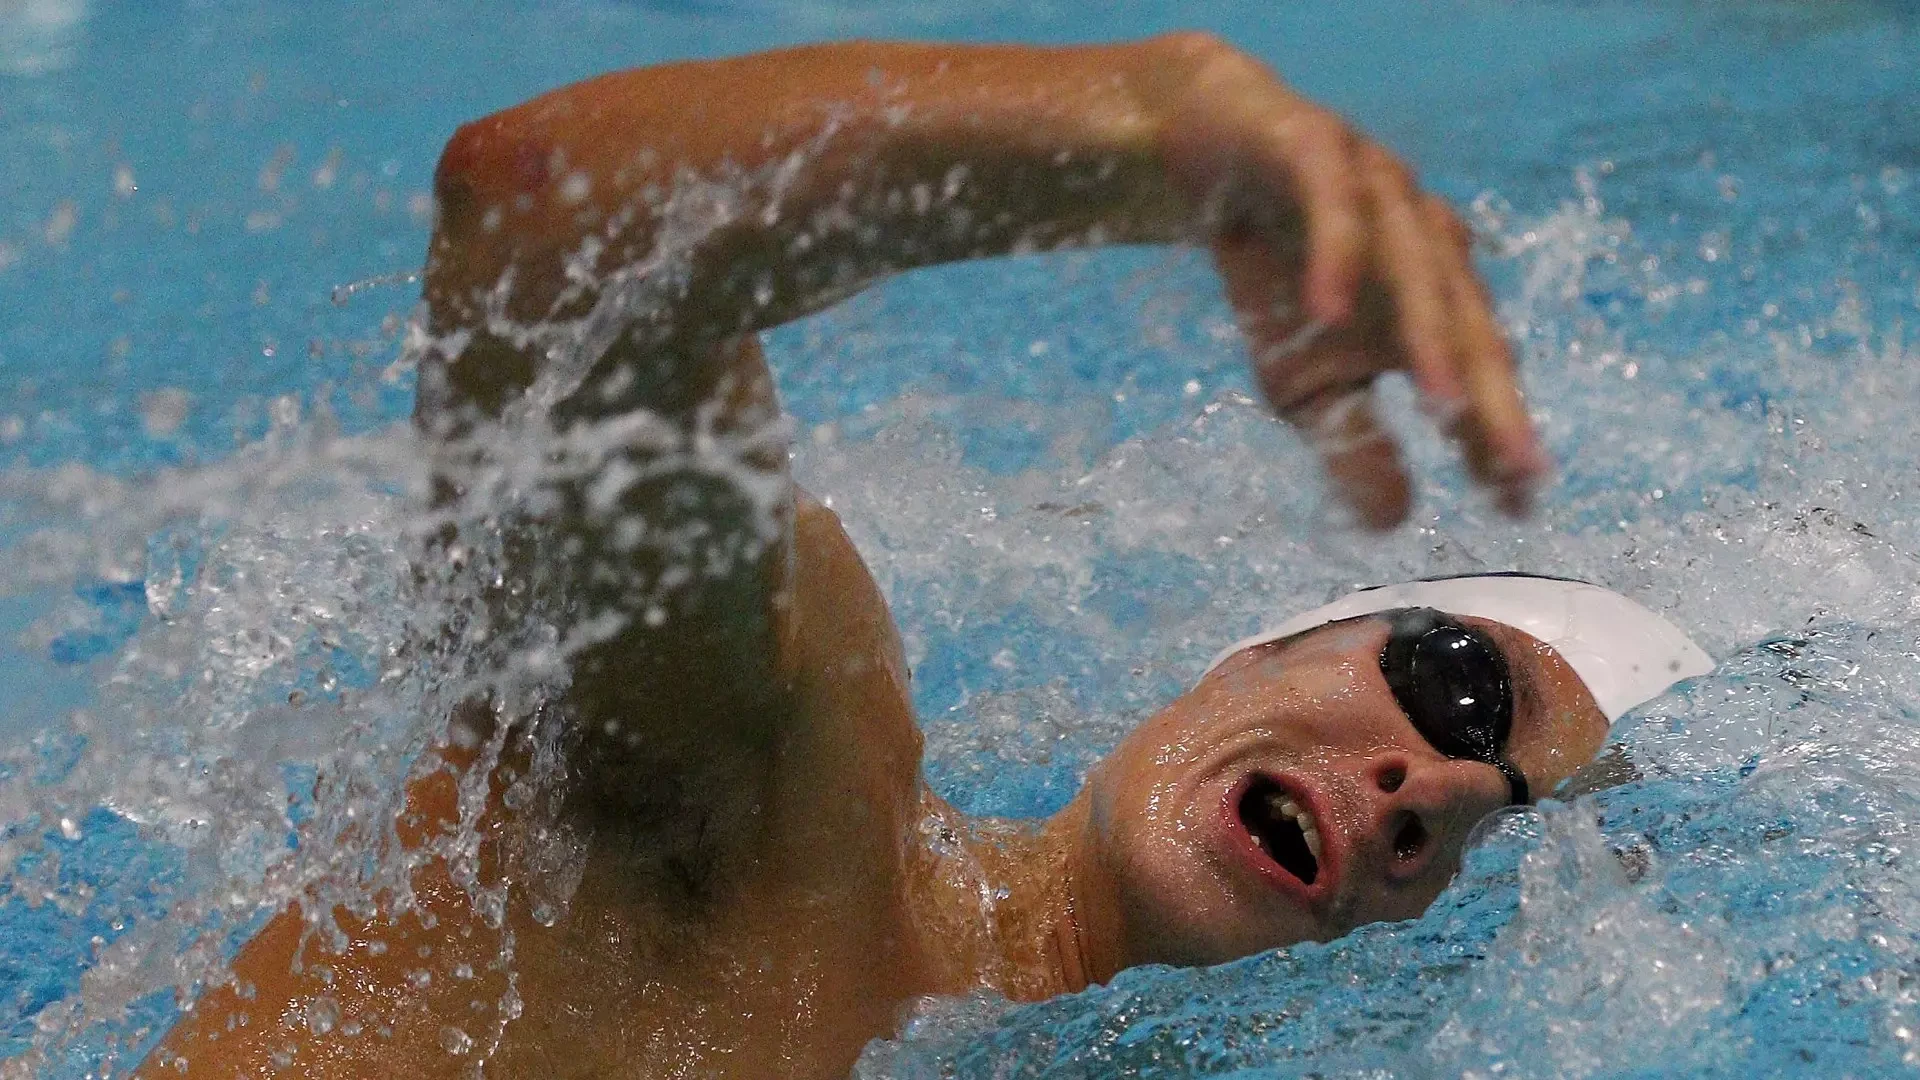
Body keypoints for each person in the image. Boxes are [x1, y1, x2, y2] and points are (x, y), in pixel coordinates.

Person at [137, 34, 1709, 1079]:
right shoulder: (769, 781)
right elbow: (546, 235)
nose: (1433, 796)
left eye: (1514, 842)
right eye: (1458, 692)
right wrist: (1151, 130)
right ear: (1265, 652)